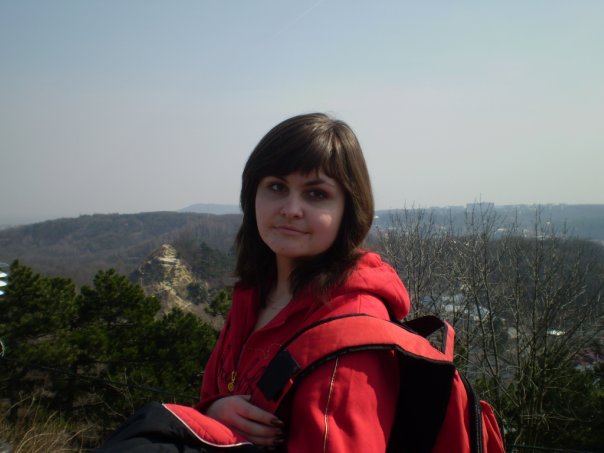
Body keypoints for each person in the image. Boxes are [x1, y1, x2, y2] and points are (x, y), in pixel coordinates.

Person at [196, 112, 411, 452]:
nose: (291, 209)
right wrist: (213, 412)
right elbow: (213, 394)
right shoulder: (253, 295)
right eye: (277, 187)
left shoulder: (351, 327)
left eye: (316, 194)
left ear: (348, 210)